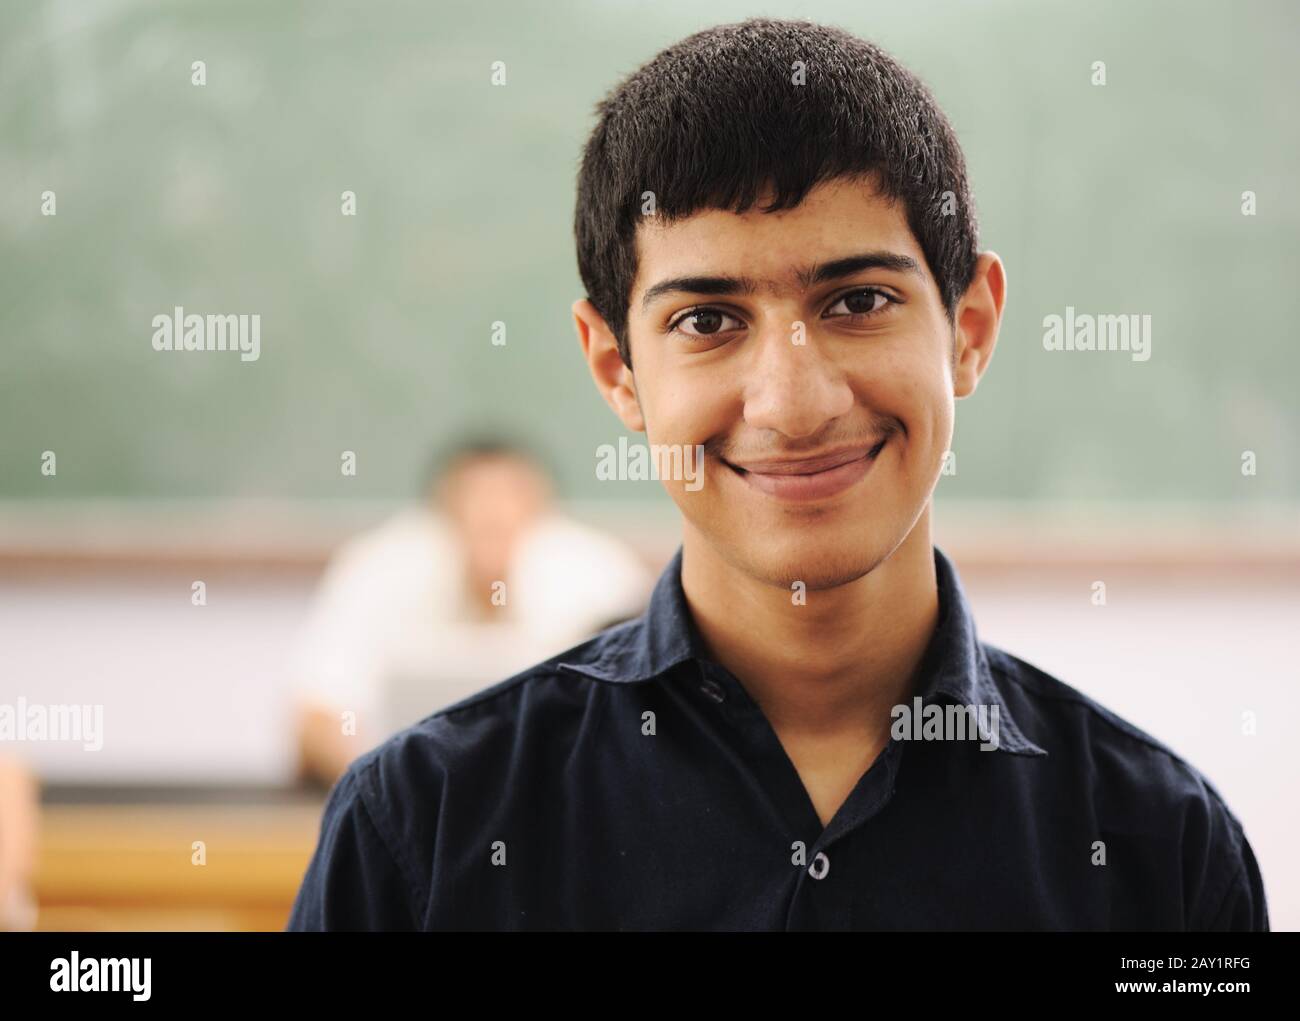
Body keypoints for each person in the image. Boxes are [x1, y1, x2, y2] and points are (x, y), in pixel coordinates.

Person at [288, 18, 1268, 929]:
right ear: (615, 370)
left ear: (968, 329)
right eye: (706, 321)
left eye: (857, 300)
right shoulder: (423, 831)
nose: (792, 403)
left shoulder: (1158, 854)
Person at [289, 438, 652, 786]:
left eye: (511, 499)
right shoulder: (376, 569)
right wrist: (384, 796)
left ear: (545, 508)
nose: (492, 517)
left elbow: (640, 715)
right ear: (439, 510)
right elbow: (317, 715)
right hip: (409, 807)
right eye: (474, 500)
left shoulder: (599, 572)